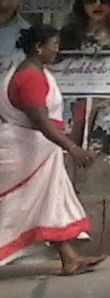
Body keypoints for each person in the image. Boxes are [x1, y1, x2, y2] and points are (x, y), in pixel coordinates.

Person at [0, 25, 102, 274]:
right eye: (53, 44)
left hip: (35, 151)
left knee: (48, 203)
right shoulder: (31, 78)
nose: (57, 49)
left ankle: (70, 259)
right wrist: (72, 148)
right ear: (38, 47)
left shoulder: (28, 72)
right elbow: (41, 121)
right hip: (27, 151)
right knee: (14, 208)